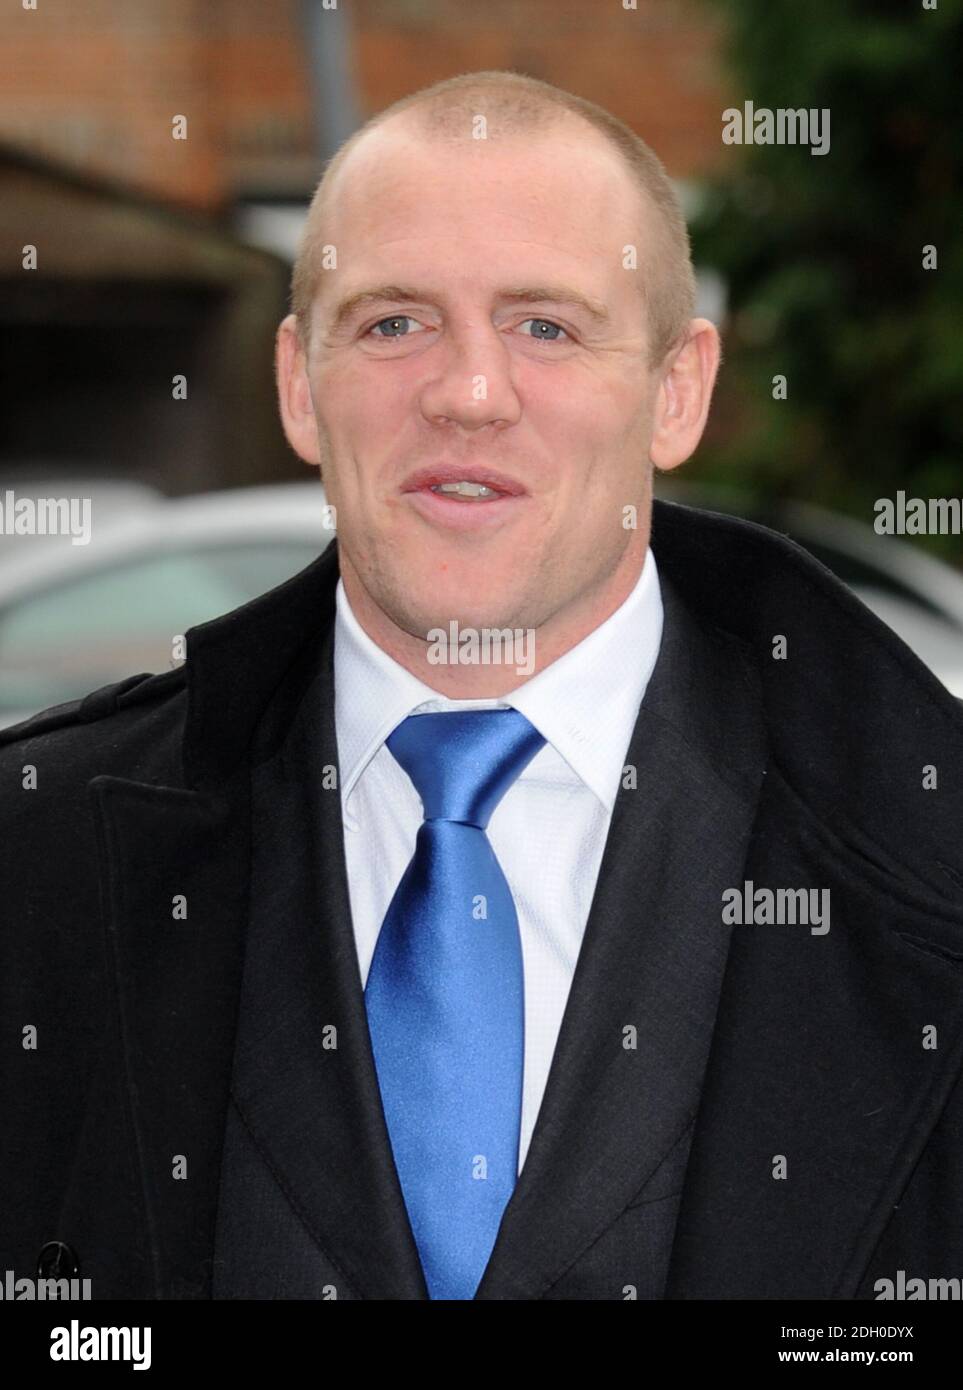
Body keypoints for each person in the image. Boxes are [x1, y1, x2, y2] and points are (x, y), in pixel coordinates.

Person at [2, 69, 962, 1303]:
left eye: (546, 326)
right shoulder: (36, 860)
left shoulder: (923, 851)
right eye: (394, 322)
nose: (466, 392)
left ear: (678, 389)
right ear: (301, 383)